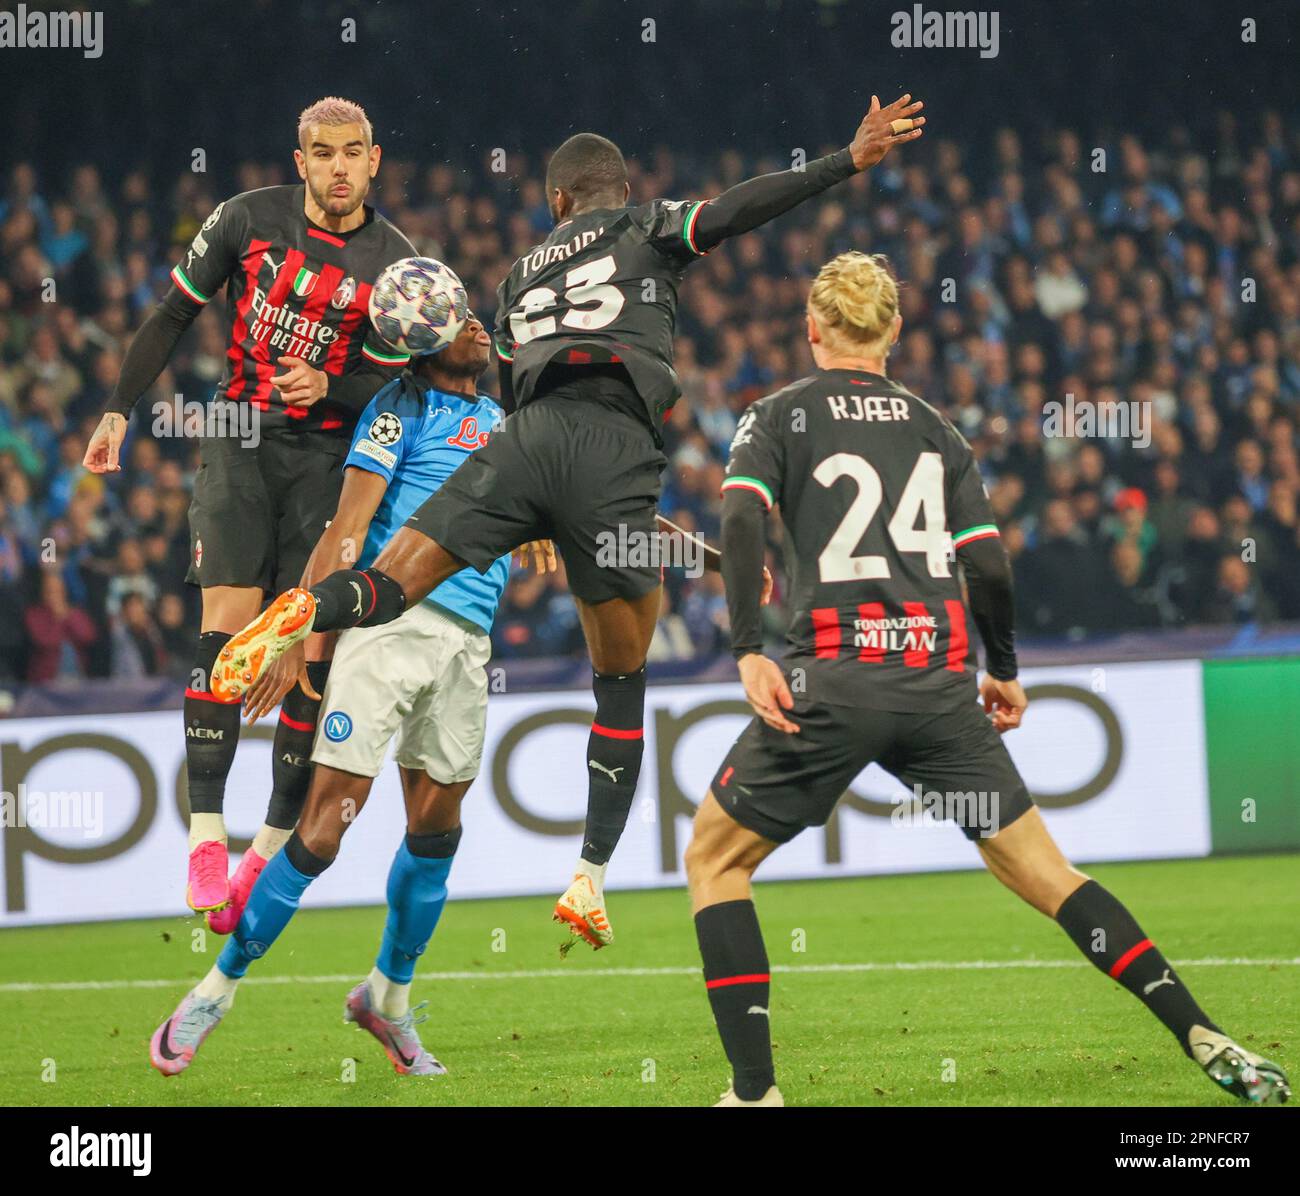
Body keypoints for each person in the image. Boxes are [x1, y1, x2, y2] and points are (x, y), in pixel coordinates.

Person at [211, 95, 927, 951]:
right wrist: (843, 160)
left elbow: (510, 402)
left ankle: (306, 608)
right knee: (619, 683)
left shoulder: (515, 280)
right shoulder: (647, 226)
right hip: (612, 444)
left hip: (527, 442)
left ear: (555, 202)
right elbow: (739, 207)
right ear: (614, 190)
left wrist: (539, 506)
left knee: (385, 584)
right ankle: (588, 876)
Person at [683, 251, 1290, 1108]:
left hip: (834, 681)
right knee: (1047, 874)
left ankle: (754, 1093)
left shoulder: (776, 416)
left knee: (714, 858)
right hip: (936, 685)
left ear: (812, 329)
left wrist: (748, 645)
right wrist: (1000, 669)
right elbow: (991, 568)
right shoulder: (939, 429)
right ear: (895, 330)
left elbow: (740, 513)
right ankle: (1199, 1028)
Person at [150, 316, 553, 1076]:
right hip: (389, 628)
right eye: (458, 323)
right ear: (423, 344)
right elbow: (348, 526)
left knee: (437, 836)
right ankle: (214, 991)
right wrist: (311, 630)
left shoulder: (504, 422)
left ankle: (388, 1001)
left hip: (469, 647)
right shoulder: (399, 408)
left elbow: (571, 496)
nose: (477, 327)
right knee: (324, 831)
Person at [81, 97, 416, 923]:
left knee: (307, 652)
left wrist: (332, 385)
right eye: (322, 152)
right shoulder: (244, 219)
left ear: (375, 161)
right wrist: (120, 408)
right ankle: (205, 838)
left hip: (328, 465)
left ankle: (261, 857)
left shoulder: (395, 263)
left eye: (353, 153)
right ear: (298, 160)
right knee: (228, 631)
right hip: (238, 436)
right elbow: (171, 316)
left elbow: (394, 383)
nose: (339, 167)